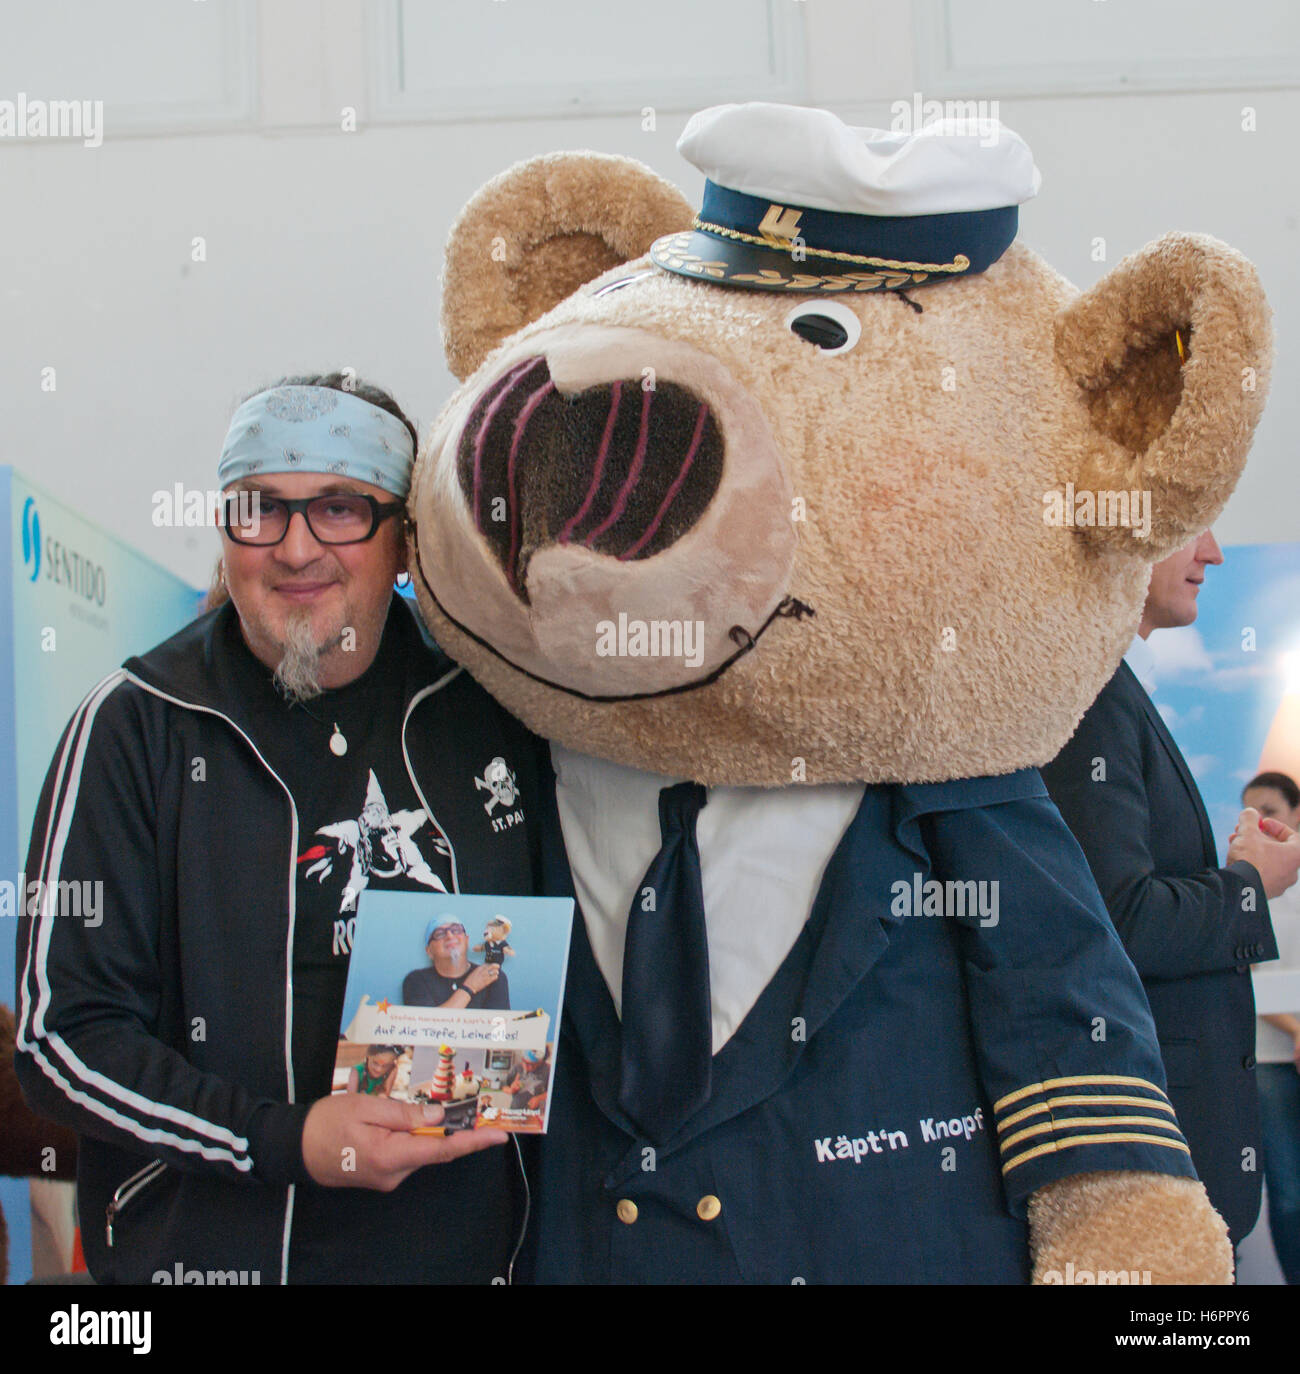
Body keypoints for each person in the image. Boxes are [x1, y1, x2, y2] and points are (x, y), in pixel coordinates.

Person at [13, 373, 548, 1284]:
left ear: (405, 541)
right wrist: (286, 1139)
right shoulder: (134, 725)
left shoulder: (496, 718)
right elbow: (63, 1039)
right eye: (259, 510)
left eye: (340, 509)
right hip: (199, 1260)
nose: (296, 548)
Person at [1040, 529, 1300, 1248]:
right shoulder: (1089, 694)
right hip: (1150, 1146)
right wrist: (1250, 884)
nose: (1212, 554)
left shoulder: (1102, 685)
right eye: (1192, 529)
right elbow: (1121, 920)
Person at [1241, 771, 1300, 1282]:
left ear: (1296, 813)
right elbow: (1247, 974)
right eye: (1249, 812)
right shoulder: (1241, 887)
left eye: (1271, 811)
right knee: (1288, 1194)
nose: (1259, 822)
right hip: (1271, 1059)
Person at [402, 919, 510, 1009]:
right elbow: (427, 1026)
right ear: (429, 951)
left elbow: (498, 1030)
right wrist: (470, 987)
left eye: (456, 930)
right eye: (439, 934)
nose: (449, 936)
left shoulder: (492, 975)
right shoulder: (416, 980)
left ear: (466, 941)